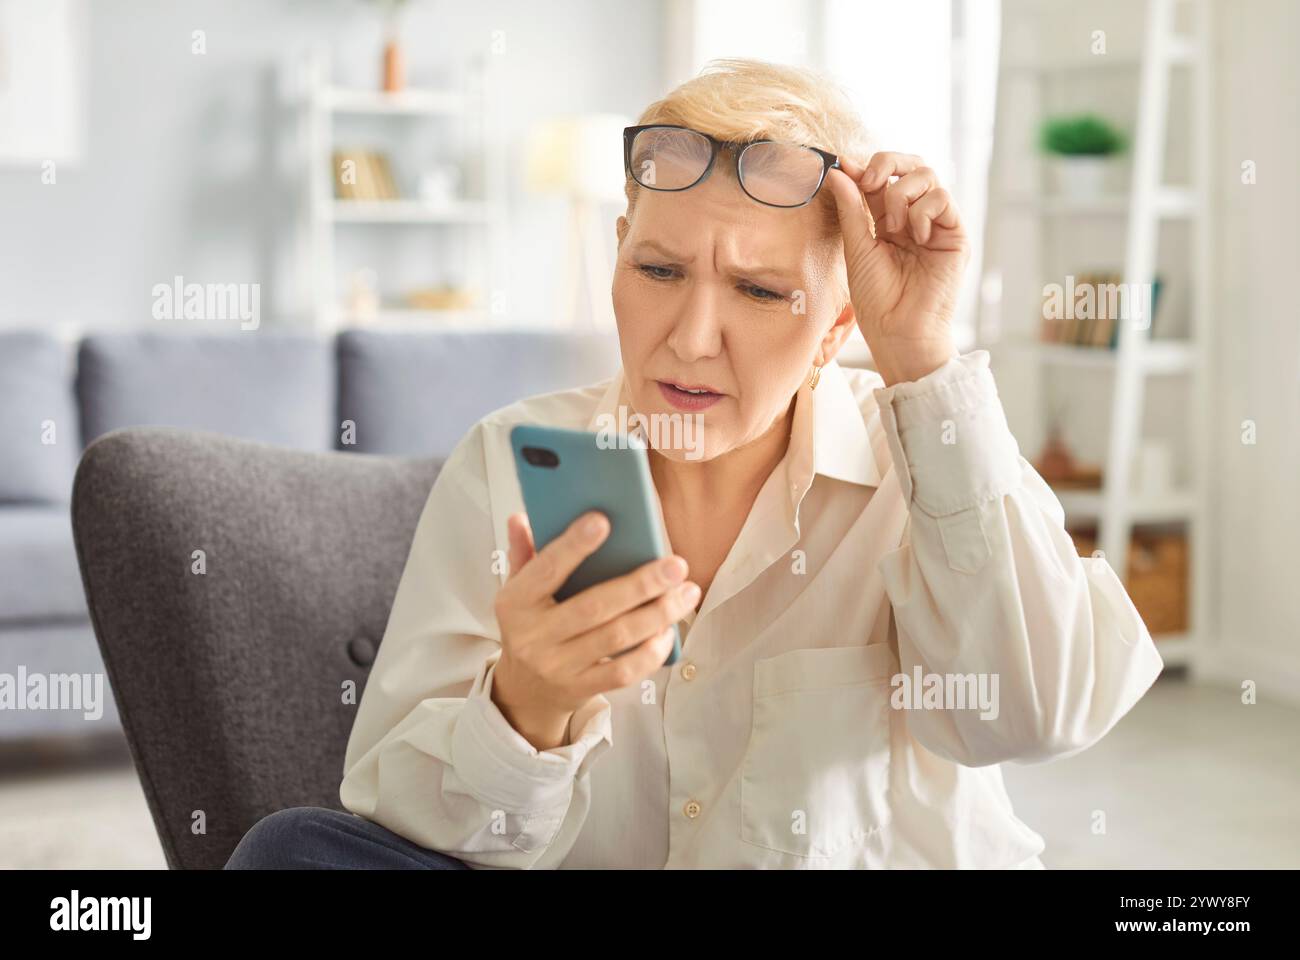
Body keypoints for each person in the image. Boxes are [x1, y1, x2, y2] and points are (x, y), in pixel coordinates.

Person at [226, 57, 1162, 870]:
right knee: (293, 853)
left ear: (840, 324)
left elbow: (1033, 718)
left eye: (760, 291)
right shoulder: (508, 463)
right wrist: (526, 708)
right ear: (617, 260)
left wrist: (923, 358)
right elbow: (398, 818)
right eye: (660, 271)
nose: (692, 337)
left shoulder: (915, 463)